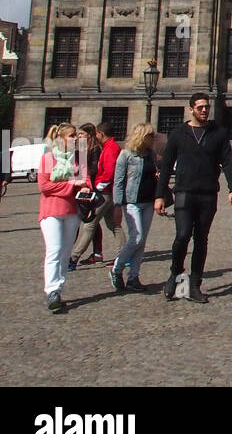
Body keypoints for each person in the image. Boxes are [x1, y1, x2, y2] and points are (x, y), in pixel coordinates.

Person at [154, 92, 232, 302]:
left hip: (208, 193)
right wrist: (160, 195)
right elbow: (166, 166)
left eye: (206, 107)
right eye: (200, 107)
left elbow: (227, 162)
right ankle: (175, 273)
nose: (204, 110)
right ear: (191, 109)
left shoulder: (218, 133)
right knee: (182, 235)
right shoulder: (178, 134)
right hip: (184, 191)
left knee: (201, 239)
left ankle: (194, 285)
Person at [38, 123, 91, 312]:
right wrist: (72, 184)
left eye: (76, 135)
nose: (76, 139)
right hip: (51, 210)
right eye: (72, 136)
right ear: (61, 139)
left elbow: (86, 180)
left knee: (65, 252)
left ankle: (58, 288)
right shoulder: (48, 158)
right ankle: (52, 290)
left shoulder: (79, 158)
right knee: (54, 250)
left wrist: (84, 186)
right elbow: (45, 186)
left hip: (71, 211)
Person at [110, 123, 157, 292]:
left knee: (142, 241)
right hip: (132, 201)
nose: (153, 139)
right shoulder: (126, 155)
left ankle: (133, 277)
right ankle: (116, 268)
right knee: (136, 238)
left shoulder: (151, 155)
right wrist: (117, 204)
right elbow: (118, 181)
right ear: (142, 137)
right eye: (150, 136)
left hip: (148, 201)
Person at [70, 120, 122, 268]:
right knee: (113, 225)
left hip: (103, 191)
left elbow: (109, 172)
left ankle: (73, 258)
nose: (79, 137)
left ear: (100, 134)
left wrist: (98, 187)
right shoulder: (106, 147)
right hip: (104, 190)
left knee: (90, 224)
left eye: (81, 134)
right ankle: (124, 254)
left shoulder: (109, 148)